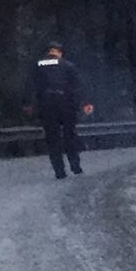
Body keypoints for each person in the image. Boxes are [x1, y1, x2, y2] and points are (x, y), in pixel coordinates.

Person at [28, 41, 94, 179]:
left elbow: (30, 87)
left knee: (53, 139)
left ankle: (59, 171)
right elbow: (78, 86)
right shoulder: (67, 65)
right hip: (66, 105)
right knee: (70, 136)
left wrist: (29, 105)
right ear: (60, 52)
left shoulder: (37, 66)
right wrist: (86, 103)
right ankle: (75, 167)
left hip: (47, 106)